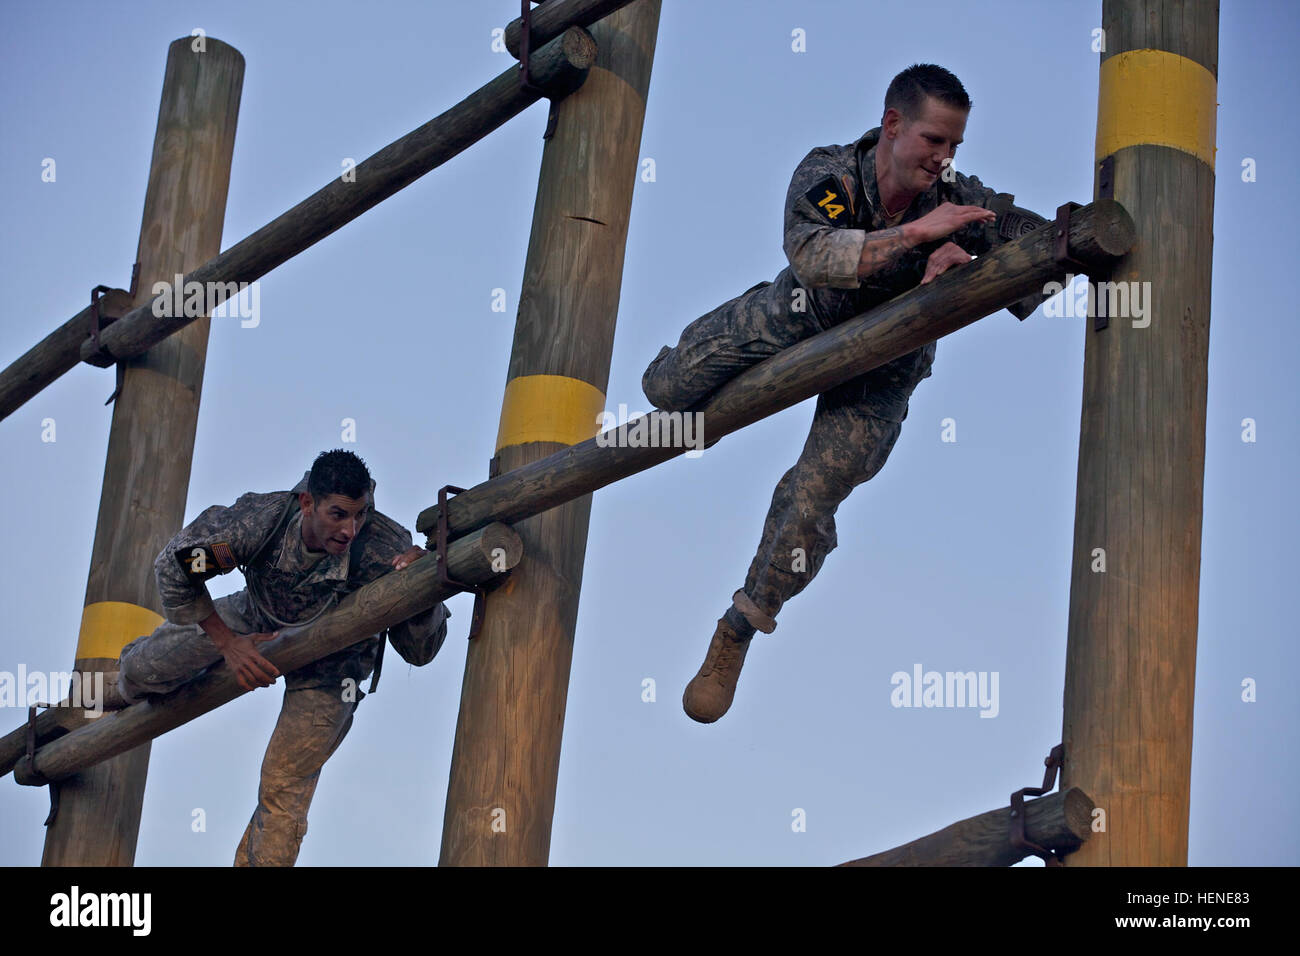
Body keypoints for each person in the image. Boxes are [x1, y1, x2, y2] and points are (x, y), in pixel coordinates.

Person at [642, 64, 1050, 724]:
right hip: (801, 309)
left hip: (886, 359)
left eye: (954, 147)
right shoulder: (830, 173)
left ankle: (741, 627)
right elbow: (815, 253)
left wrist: (978, 268)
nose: (943, 158)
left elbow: (1041, 250)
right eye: (933, 140)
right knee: (667, 389)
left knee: (808, 499)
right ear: (892, 125)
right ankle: (695, 395)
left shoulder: (958, 198)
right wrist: (918, 236)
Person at [116, 448, 451, 865]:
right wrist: (226, 643)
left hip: (335, 665)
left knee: (282, 785)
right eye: (338, 514)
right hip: (257, 615)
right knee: (141, 668)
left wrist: (421, 590)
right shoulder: (260, 523)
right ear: (306, 502)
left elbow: (421, 652)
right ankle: (104, 699)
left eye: (359, 515)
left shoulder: (385, 547)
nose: (350, 529)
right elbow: (174, 567)